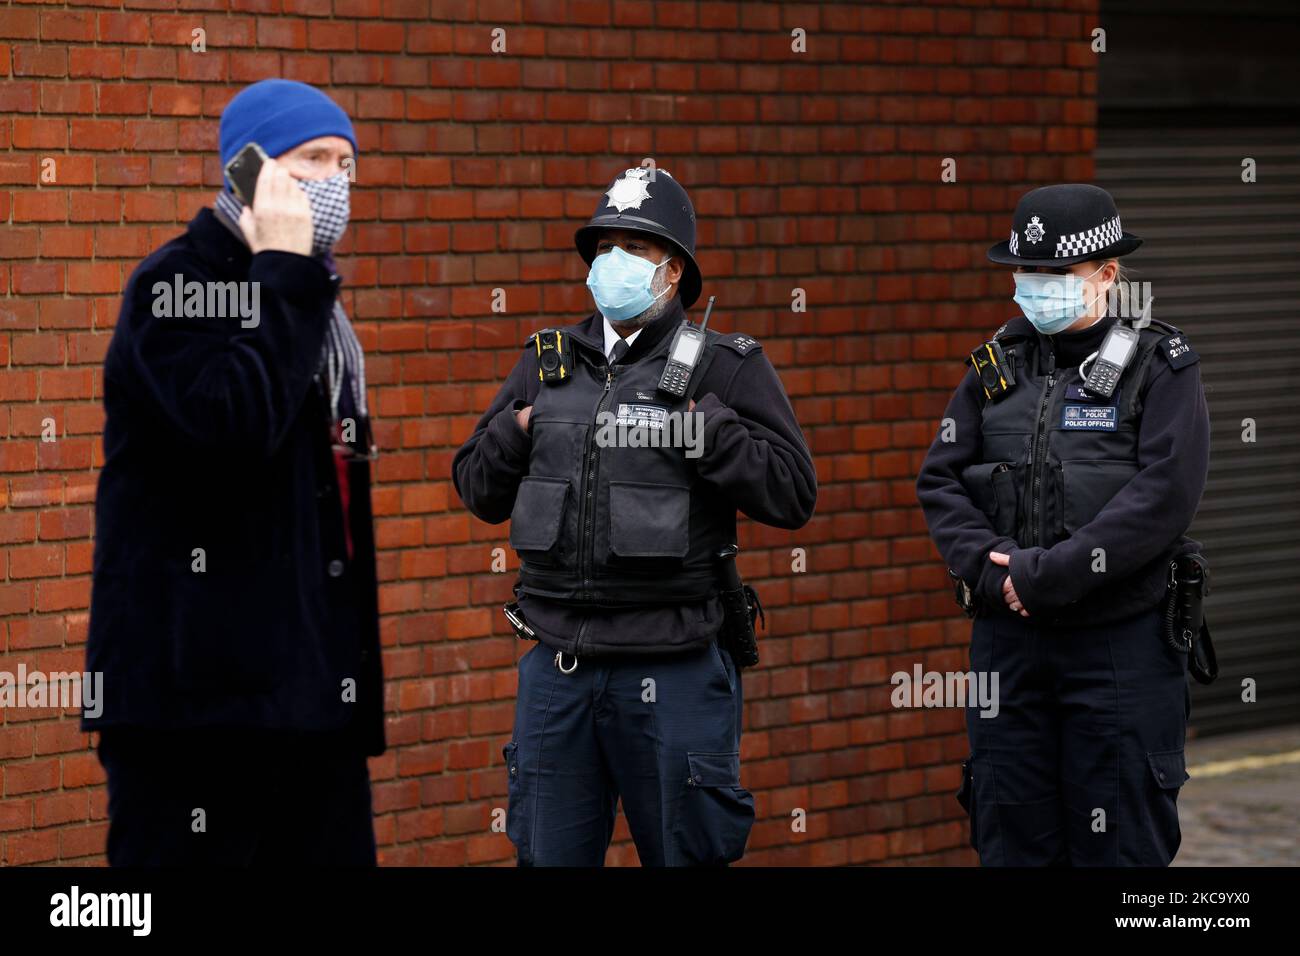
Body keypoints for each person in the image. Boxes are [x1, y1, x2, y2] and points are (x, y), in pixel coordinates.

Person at [453, 167, 817, 866]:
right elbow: (475, 486)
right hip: (558, 671)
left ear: (673, 272)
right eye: (604, 246)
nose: (612, 262)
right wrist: (516, 429)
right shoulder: (548, 363)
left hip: (673, 671)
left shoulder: (723, 366)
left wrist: (712, 433)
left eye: (636, 248)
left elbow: (793, 493)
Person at [83, 79, 384, 865]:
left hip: (308, 701)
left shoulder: (315, 301)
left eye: (348, 164)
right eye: (315, 158)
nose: (337, 181)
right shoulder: (177, 284)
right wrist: (282, 269)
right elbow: (233, 426)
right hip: (195, 711)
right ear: (251, 171)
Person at [916, 183, 1212, 866]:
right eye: (1027, 272)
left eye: (1056, 275)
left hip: (1119, 650)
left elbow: (1163, 497)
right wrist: (993, 574)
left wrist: (1046, 575)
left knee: (1119, 845)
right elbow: (939, 478)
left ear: (1107, 275)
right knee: (1010, 833)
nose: (1035, 287)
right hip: (1008, 650)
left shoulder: (1159, 367)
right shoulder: (995, 366)